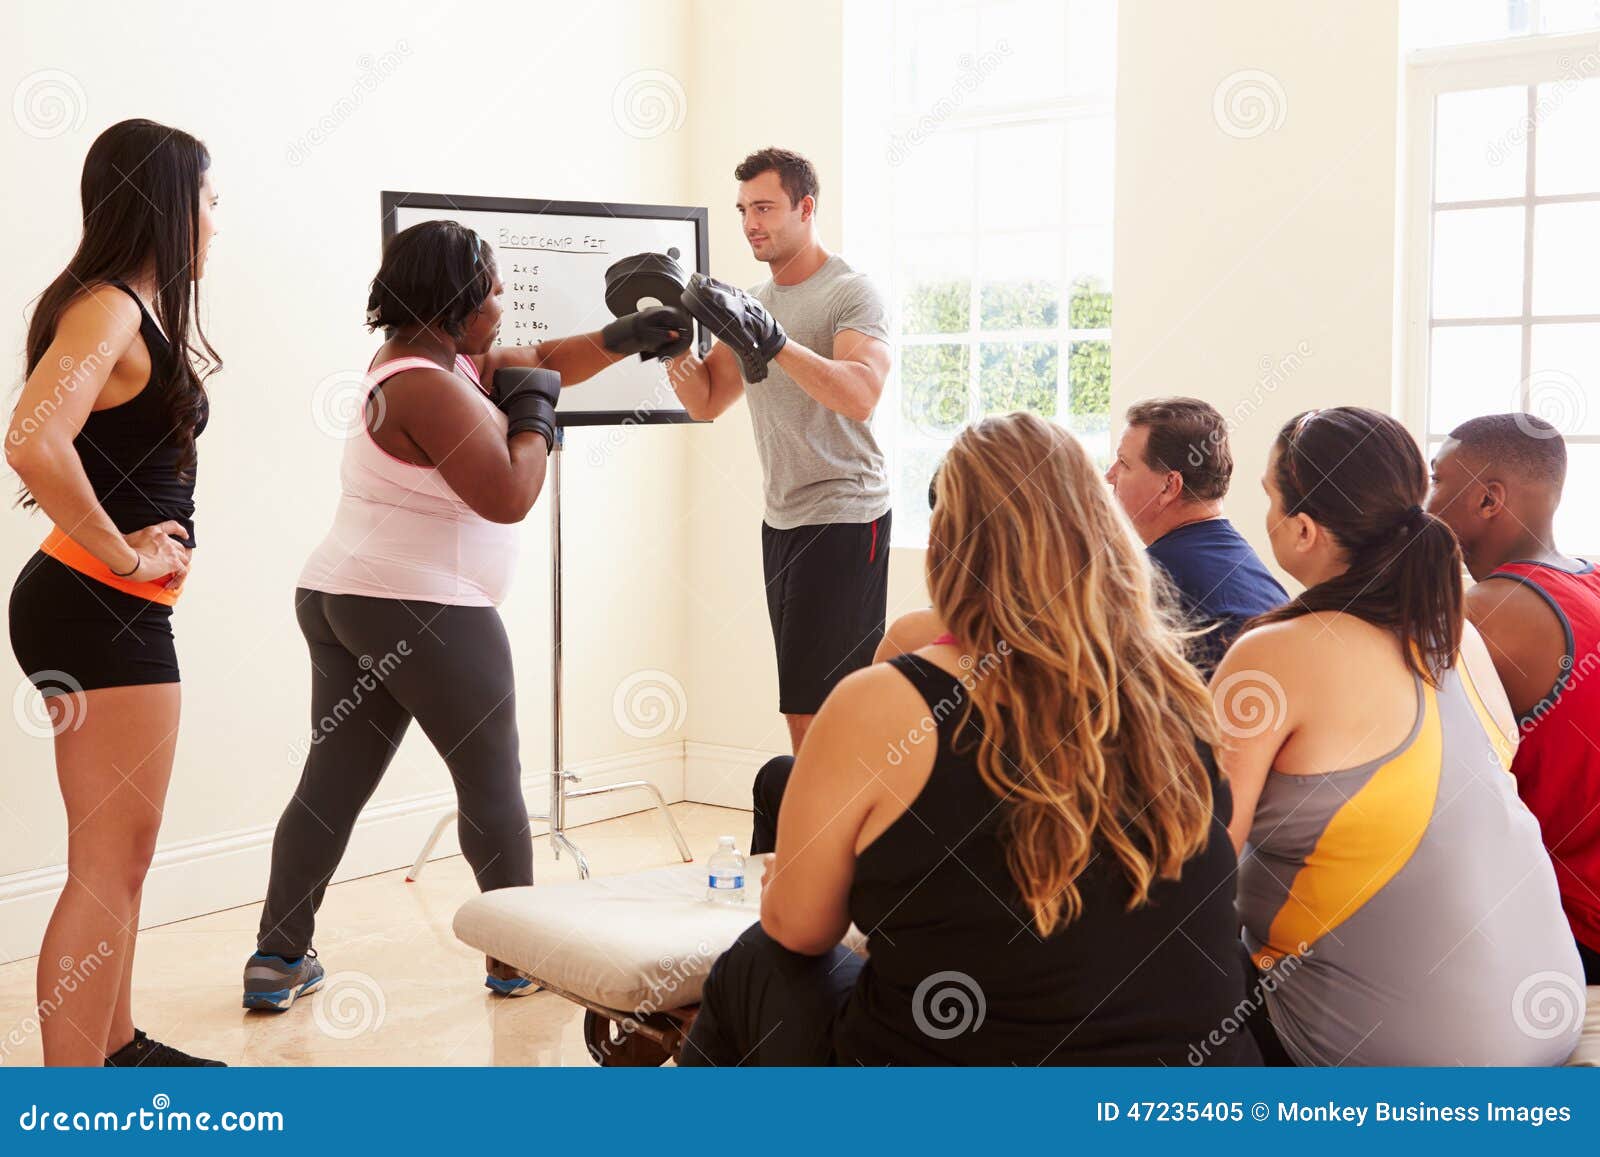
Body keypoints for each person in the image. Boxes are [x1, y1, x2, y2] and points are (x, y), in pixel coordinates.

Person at [686, 412, 1260, 1066]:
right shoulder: (1176, 693)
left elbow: (798, 927)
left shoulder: (882, 703)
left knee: (755, 962)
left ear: (946, 546)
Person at [243, 220, 687, 1011]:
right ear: (455, 302)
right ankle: (516, 957)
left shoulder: (427, 359)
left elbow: (537, 362)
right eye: (490, 285)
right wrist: (536, 417)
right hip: (423, 606)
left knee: (332, 783)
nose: (502, 296)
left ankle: (277, 957)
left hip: (350, 597)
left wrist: (621, 336)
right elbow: (510, 494)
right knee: (490, 784)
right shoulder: (426, 386)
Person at [1214, 407, 1583, 1066]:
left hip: (1411, 1054)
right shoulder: (1458, 634)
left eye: (1269, 496)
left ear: (1302, 528)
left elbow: (1201, 858)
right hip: (1548, 1017)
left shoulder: (1276, 652)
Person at [6, 120, 225, 1067]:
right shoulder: (110, 310)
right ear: (171, 205)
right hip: (99, 606)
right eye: (210, 200)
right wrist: (129, 559)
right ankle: (74, 1098)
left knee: (121, 858)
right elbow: (31, 440)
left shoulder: (127, 307)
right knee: (107, 863)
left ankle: (119, 1047)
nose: (217, 220)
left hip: (100, 606)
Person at [668, 147, 892, 754]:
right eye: (743, 210)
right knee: (803, 702)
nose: (750, 224)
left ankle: (828, 842)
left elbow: (861, 394)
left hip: (847, 514)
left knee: (817, 707)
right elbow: (708, 399)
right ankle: (823, 838)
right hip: (784, 518)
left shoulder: (850, 293)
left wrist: (776, 340)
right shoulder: (752, 299)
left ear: (806, 207)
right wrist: (669, 348)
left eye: (764, 207)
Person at [1426, 413, 1600, 984]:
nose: (1426, 505)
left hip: (1569, 937)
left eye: (1437, 481)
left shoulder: (1488, 612)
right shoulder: (1590, 577)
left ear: (1488, 500)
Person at [1105, 397, 1286, 676]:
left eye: (1124, 463)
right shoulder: (1248, 569)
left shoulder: (1145, 581)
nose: (1109, 475)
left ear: (1169, 486)